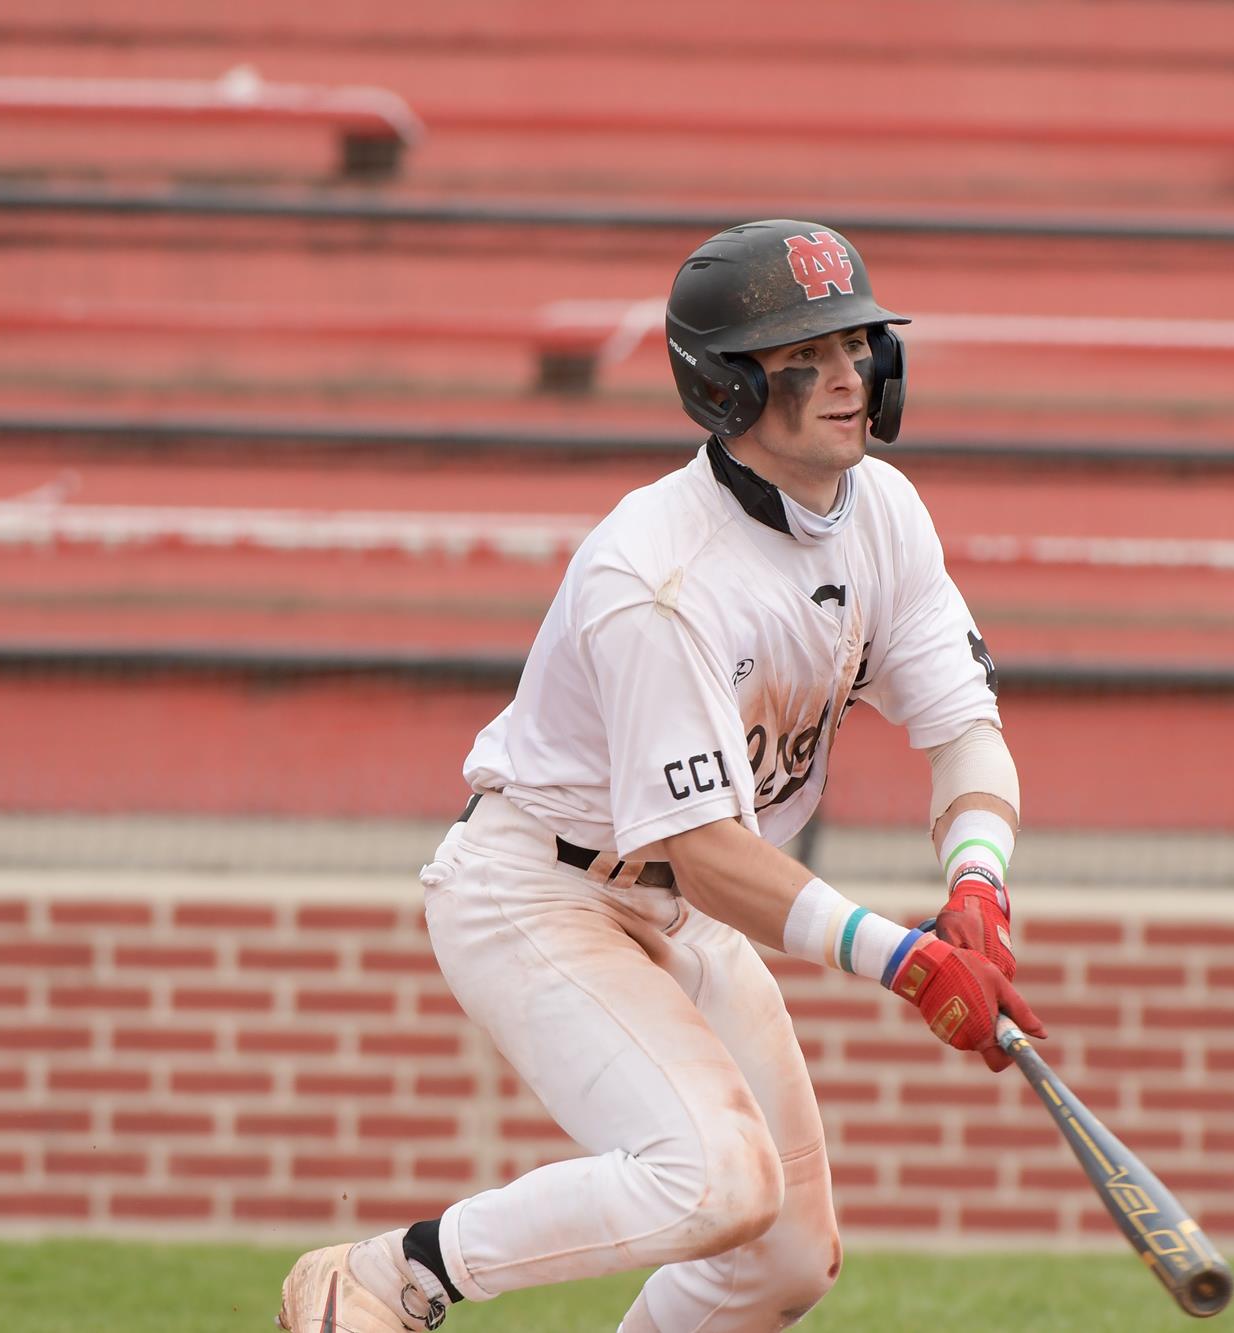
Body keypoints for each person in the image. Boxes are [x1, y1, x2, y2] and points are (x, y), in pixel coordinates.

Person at [275, 219, 1041, 1333]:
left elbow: (965, 730)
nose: (847, 376)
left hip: (680, 906)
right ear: (726, 388)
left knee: (782, 1262)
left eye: (856, 344)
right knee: (716, 1179)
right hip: (542, 889)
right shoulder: (658, 572)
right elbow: (709, 855)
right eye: (804, 355)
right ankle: (392, 1273)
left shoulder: (886, 512)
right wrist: (908, 959)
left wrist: (979, 886)